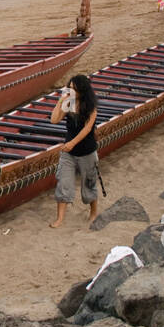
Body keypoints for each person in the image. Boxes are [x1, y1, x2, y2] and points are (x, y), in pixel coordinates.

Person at [48, 74, 100, 228]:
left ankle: (93, 212)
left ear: (82, 91)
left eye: (73, 89)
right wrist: (60, 101)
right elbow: (54, 119)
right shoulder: (68, 103)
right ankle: (60, 219)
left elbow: (87, 129)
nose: (70, 91)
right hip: (68, 153)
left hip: (87, 151)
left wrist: (72, 143)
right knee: (64, 183)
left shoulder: (90, 107)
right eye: (69, 88)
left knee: (89, 184)